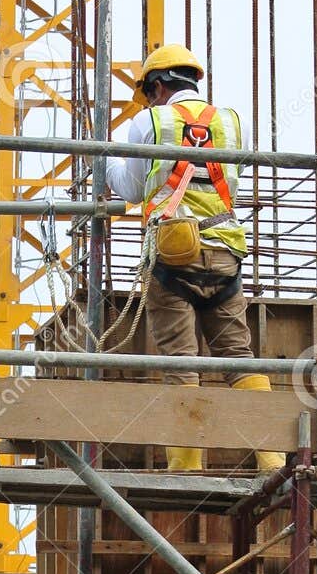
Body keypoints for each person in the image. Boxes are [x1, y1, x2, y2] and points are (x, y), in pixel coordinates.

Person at [105, 43, 284, 475]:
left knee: (181, 363)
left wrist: (104, 162)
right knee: (238, 357)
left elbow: (131, 190)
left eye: (149, 92)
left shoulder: (148, 122)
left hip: (174, 254)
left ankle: (186, 467)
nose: (149, 100)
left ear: (158, 86)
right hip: (225, 252)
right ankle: (272, 459)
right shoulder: (233, 122)